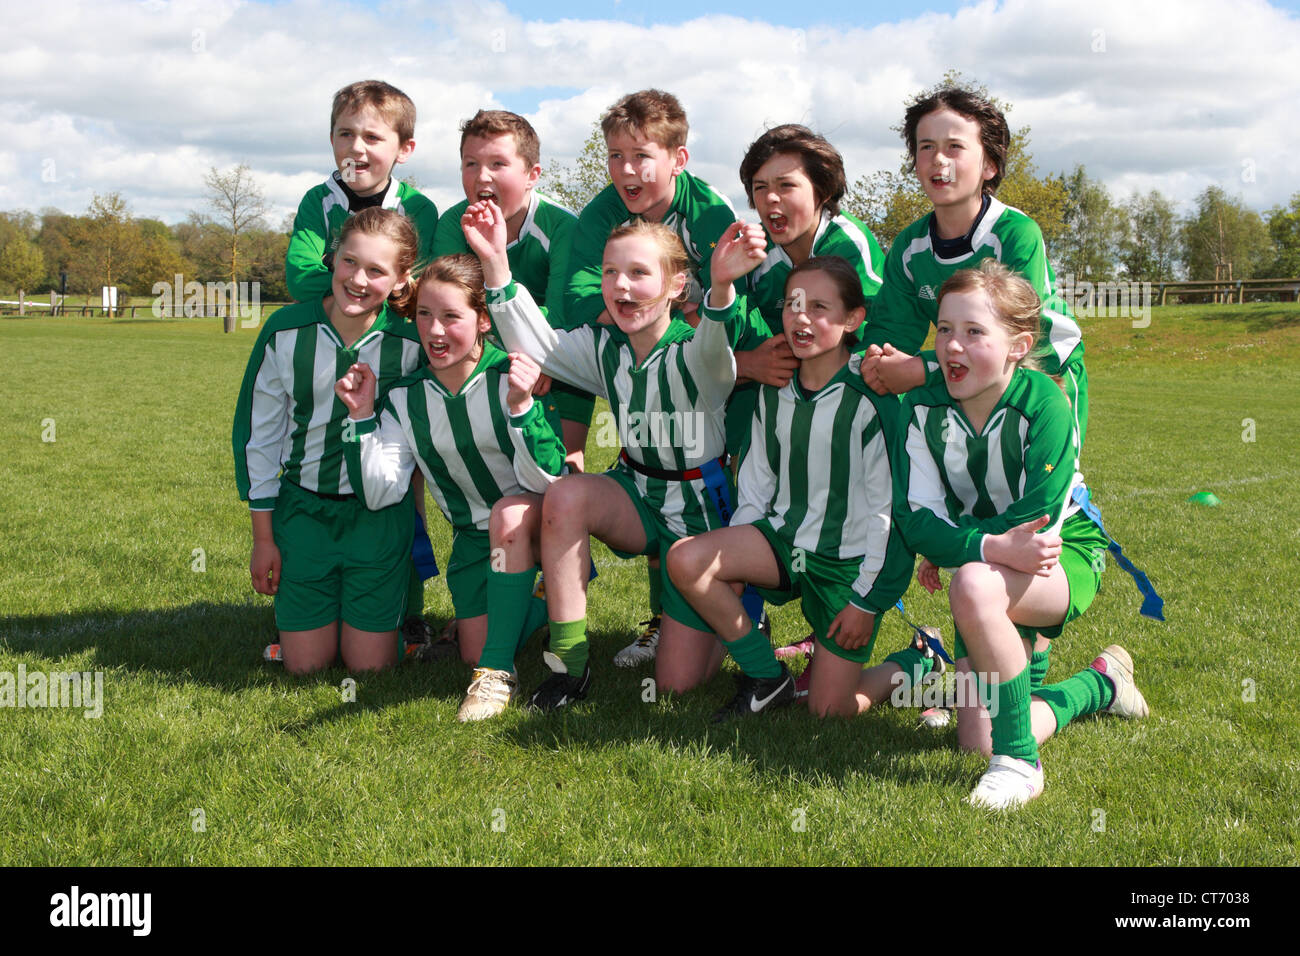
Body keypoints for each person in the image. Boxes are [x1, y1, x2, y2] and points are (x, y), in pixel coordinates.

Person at [466, 199, 767, 709]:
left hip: (697, 516)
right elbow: (539, 345)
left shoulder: (697, 351)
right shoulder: (606, 346)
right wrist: (497, 264)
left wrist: (719, 289)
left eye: (638, 273)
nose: (621, 286)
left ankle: (730, 610)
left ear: (675, 286)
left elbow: (717, 346)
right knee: (566, 496)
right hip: (635, 492)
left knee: (676, 685)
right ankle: (570, 665)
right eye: (610, 272)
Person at [893, 261, 1148, 810]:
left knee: (976, 585)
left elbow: (1034, 529)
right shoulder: (918, 407)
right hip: (989, 562)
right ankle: (1100, 682)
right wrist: (972, 546)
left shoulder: (1046, 403)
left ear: (1018, 345)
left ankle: (1018, 762)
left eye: (974, 332)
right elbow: (915, 519)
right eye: (943, 330)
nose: (952, 346)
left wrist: (959, 545)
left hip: (1063, 555)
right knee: (969, 742)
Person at [666, 256, 916, 721]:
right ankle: (767, 677)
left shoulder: (872, 396)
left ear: (852, 319)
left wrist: (867, 600)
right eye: (793, 304)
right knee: (686, 558)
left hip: (847, 566)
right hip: (783, 543)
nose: (802, 317)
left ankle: (916, 658)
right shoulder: (773, 384)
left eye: (820, 307)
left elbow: (890, 511)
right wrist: (736, 563)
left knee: (828, 710)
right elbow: (756, 485)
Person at [336, 254, 566, 722]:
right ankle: (535, 601)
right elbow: (381, 493)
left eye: (451, 317)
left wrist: (522, 407)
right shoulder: (405, 397)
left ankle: (498, 672)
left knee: (511, 515)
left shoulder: (515, 375)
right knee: (469, 649)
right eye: (424, 315)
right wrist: (361, 420)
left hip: (536, 531)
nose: (435, 331)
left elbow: (550, 482)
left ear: (484, 320)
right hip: (471, 543)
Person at [561, 90, 743, 665]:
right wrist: (636, 305)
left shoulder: (710, 211)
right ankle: (664, 620)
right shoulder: (601, 212)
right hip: (648, 353)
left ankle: (732, 605)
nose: (627, 171)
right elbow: (572, 299)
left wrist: (692, 315)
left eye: (641, 156)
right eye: (615, 156)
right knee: (654, 462)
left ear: (678, 159)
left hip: (724, 365)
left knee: (713, 486)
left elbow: (740, 304)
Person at [283, 79, 442, 653]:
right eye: (345, 133)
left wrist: (351, 285)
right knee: (324, 465)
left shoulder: (420, 208)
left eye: (372, 135)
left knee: (402, 486)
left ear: (403, 148)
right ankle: (323, 594)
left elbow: (422, 291)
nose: (357, 147)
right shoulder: (316, 201)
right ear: (330, 139)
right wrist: (355, 286)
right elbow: (298, 276)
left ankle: (411, 607)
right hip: (328, 356)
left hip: (399, 360)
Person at [234, 208, 423, 674]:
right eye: (349, 262)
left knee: (369, 669)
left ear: (401, 280)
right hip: (304, 514)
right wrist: (264, 539)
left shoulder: (415, 340)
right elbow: (258, 438)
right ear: (332, 259)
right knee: (306, 668)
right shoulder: (285, 330)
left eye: (377, 270)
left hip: (377, 519)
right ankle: (306, 632)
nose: (358, 279)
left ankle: (398, 634)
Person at [431, 110, 587, 471]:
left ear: (532, 175)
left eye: (498, 163)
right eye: (471, 164)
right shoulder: (453, 224)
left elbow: (563, 311)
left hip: (555, 359)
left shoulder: (562, 226)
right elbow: (450, 307)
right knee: (498, 468)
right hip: (487, 357)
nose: (482, 176)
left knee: (565, 465)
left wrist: (540, 357)